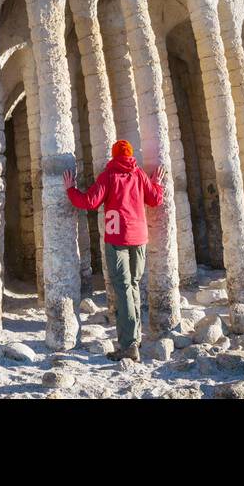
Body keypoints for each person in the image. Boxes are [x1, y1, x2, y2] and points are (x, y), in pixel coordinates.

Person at [64, 139, 168, 362]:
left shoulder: (109, 175)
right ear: (130, 155)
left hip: (117, 237)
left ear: (113, 155)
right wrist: (157, 183)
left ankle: (129, 345)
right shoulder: (139, 174)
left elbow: (90, 202)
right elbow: (156, 199)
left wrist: (70, 189)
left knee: (123, 289)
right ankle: (135, 339)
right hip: (139, 237)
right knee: (133, 286)